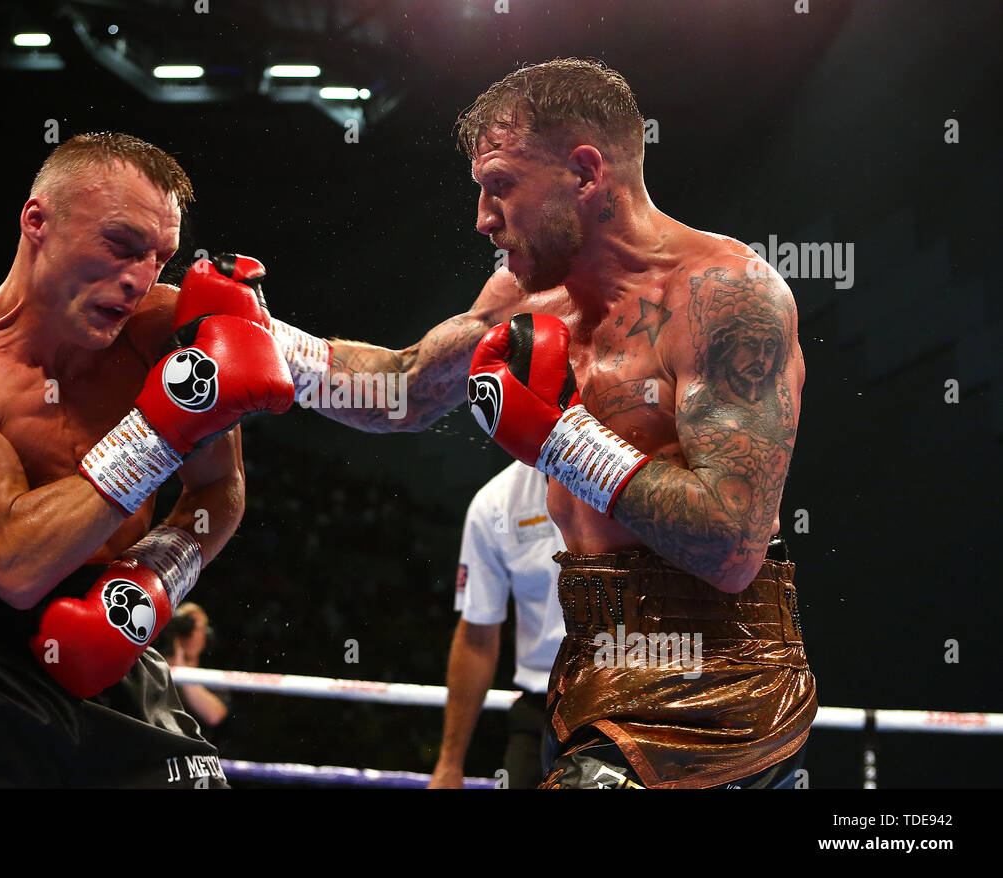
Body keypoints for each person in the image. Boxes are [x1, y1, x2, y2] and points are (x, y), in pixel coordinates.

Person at [180, 58, 815, 789]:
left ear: (584, 173)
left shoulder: (727, 296)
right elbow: (407, 388)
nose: (483, 219)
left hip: (717, 701)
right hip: (586, 689)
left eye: (500, 187)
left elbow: (734, 544)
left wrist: (560, 441)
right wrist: (264, 340)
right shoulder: (524, 296)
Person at [0, 132, 293, 789]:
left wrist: (149, 582)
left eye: (159, 256)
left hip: (115, 637)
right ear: (38, 221)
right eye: (120, 245)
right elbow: (13, 563)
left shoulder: (159, 326)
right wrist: (160, 428)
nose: (141, 277)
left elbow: (219, 489)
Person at [429, 462, 565, 789]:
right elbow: (477, 635)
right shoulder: (496, 503)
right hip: (540, 712)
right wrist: (449, 763)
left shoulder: (636, 477)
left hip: (631, 701)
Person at [162, 602, 229, 730]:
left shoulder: (212, 676)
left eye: (198, 628)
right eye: (188, 627)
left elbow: (214, 715)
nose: (192, 635)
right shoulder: (157, 667)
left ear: (206, 635)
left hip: (199, 748)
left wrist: (181, 668)